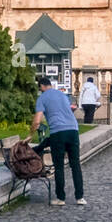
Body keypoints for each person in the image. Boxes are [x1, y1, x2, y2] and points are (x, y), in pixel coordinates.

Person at [31, 77, 86, 206]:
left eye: (40, 89)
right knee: (75, 165)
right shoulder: (62, 95)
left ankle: (61, 198)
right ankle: (80, 197)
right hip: (73, 130)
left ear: (42, 86)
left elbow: (37, 120)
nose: (40, 91)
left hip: (58, 132)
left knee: (59, 166)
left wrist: (30, 135)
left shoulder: (42, 98)